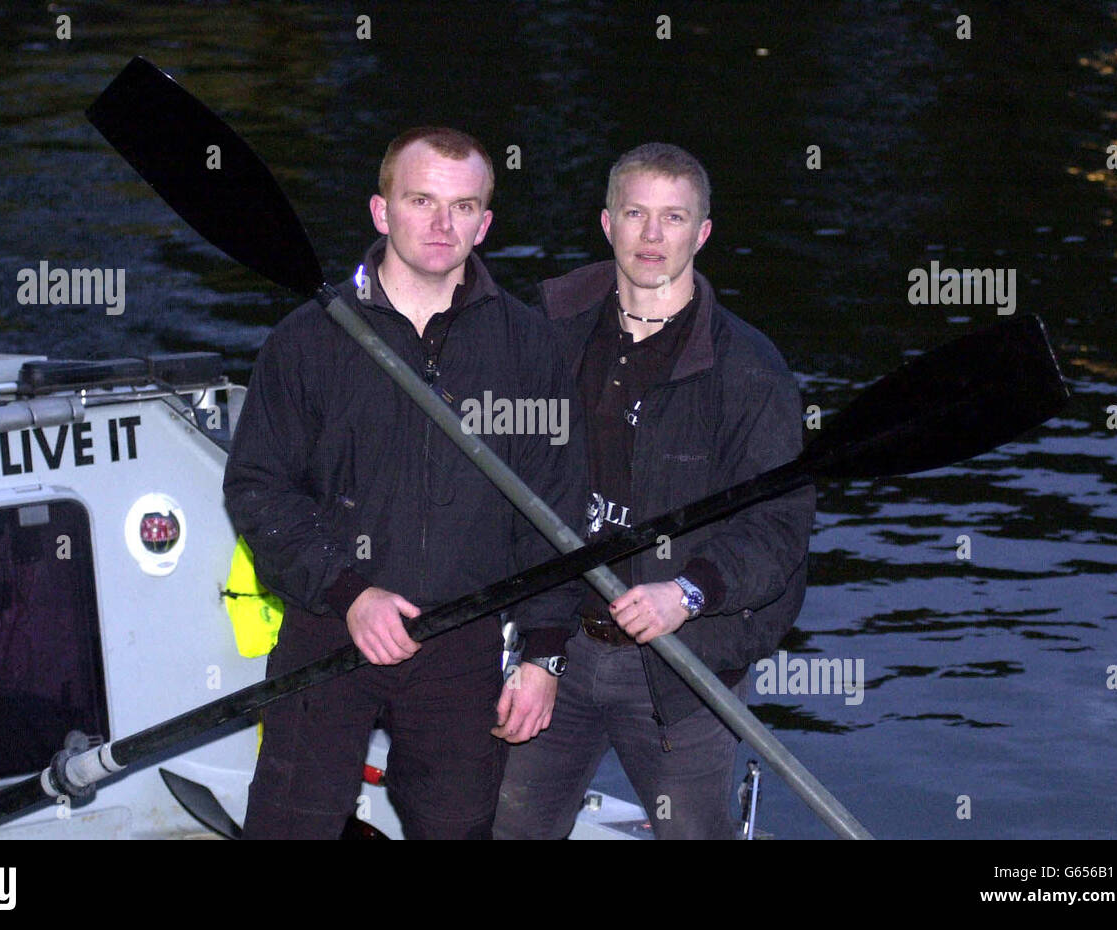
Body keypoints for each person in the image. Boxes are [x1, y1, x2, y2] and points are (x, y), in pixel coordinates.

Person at [223, 127, 584, 839]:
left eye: (462, 206)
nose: (441, 224)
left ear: (485, 223)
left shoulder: (529, 347)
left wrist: (544, 652)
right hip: (328, 630)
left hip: (463, 641)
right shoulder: (309, 339)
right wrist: (347, 593)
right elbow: (258, 488)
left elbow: (554, 510)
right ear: (381, 210)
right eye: (421, 200)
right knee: (290, 828)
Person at [494, 143, 815, 840]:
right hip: (560, 646)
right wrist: (538, 650)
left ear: (701, 234)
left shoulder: (751, 371)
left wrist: (687, 593)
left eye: (673, 218)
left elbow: (778, 526)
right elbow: (511, 488)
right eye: (635, 213)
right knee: (510, 828)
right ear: (606, 223)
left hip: (684, 668)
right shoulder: (546, 335)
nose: (651, 235)